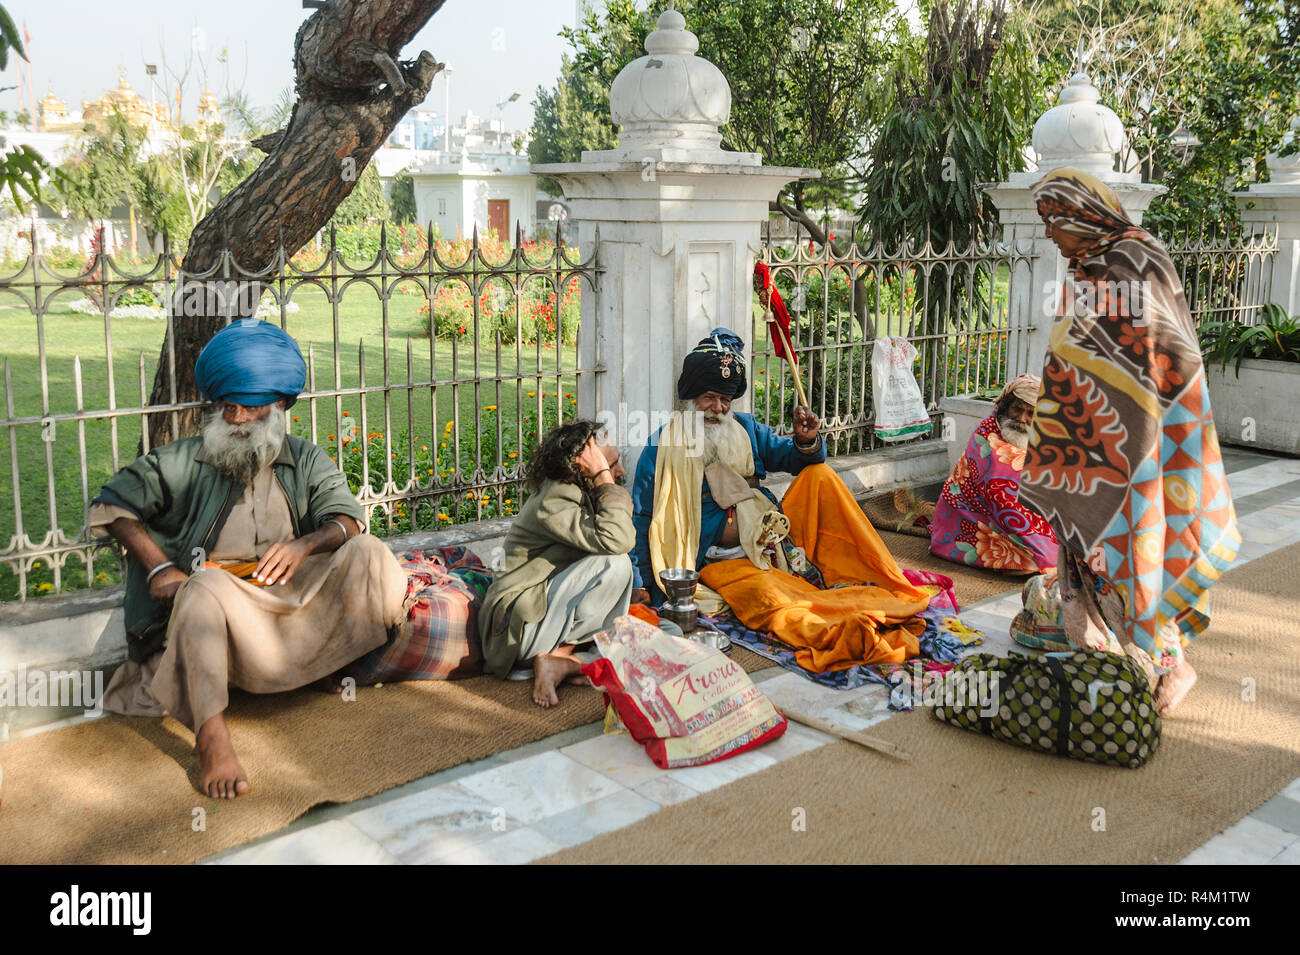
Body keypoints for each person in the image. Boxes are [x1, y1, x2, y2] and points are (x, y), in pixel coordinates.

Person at [90, 319, 408, 799]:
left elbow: (347, 518)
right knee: (204, 587)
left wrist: (305, 545)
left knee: (368, 553)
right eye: (229, 406)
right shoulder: (182, 460)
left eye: (250, 407)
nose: (237, 418)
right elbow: (111, 506)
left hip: (289, 601)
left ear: (279, 406)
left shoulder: (304, 458)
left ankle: (317, 666)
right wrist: (159, 567)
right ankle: (211, 736)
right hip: (219, 603)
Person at [1015, 167, 1241, 715]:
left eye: (1052, 220)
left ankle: (1173, 665)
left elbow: (1162, 355)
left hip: (1136, 445)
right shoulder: (1092, 265)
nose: (1048, 233)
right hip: (1086, 447)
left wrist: (1125, 426)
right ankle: (1117, 662)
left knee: (1130, 553)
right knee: (1091, 555)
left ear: (1080, 215)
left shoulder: (1135, 259)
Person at [630, 327, 932, 673]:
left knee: (820, 474)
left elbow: (794, 459)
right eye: (709, 398)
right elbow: (644, 518)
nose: (718, 408)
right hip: (718, 562)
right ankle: (842, 629)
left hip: (773, 542)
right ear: (690, 397)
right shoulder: (660, 447)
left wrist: (806, 441)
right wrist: (642, 584)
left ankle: (879, 573)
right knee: (777, 601)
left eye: (725, 400)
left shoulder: (745, 428)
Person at [478, 421, 635, 708]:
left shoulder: (578, 492)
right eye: (611, 464)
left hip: (542, 617)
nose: (621, 472)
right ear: (583, 468)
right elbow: (618, 540)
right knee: (615, 564)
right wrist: (603, 477)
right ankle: (561, 658)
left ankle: (566, 663)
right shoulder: (556, 499)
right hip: (517, 633)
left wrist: (602, 477)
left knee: (650, 639)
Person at [929, 374, 1058, 572]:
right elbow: (998, 493)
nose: (1021, 419)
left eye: (1031, 413)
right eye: (1017, 409)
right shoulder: (986, 433)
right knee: (1041, 560)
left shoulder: (1042, 434)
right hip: (973, 515)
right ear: (1005, 407)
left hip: (1019, 512)